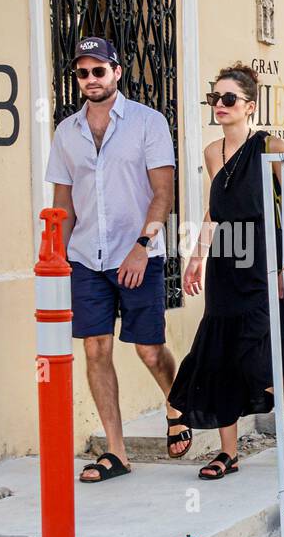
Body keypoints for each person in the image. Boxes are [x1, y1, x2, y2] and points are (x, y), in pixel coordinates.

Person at [46, 36, 182, 483]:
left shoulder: (148, 122)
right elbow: (62, 202)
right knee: (95, 348)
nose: (90, 79)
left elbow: (163, 191)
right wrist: (58, 260)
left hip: (138, 251)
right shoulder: (67, 132)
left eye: (98, 70)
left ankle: (175, 402)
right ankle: (117, 452)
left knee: (147, 348)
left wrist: (143, 245)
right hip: (86, 256)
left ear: (117, 72)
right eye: (83, 73)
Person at [168, 63, 284, 480]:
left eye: (229, 98)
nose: (220, 105)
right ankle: (228, 453)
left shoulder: (270, 145)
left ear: (249, 106)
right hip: (225, 260)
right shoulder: (211, 152)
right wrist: (196, 257)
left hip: (262, 258)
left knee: (261, 354)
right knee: (219, 353)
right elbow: (214, 211)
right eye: (214, 98)